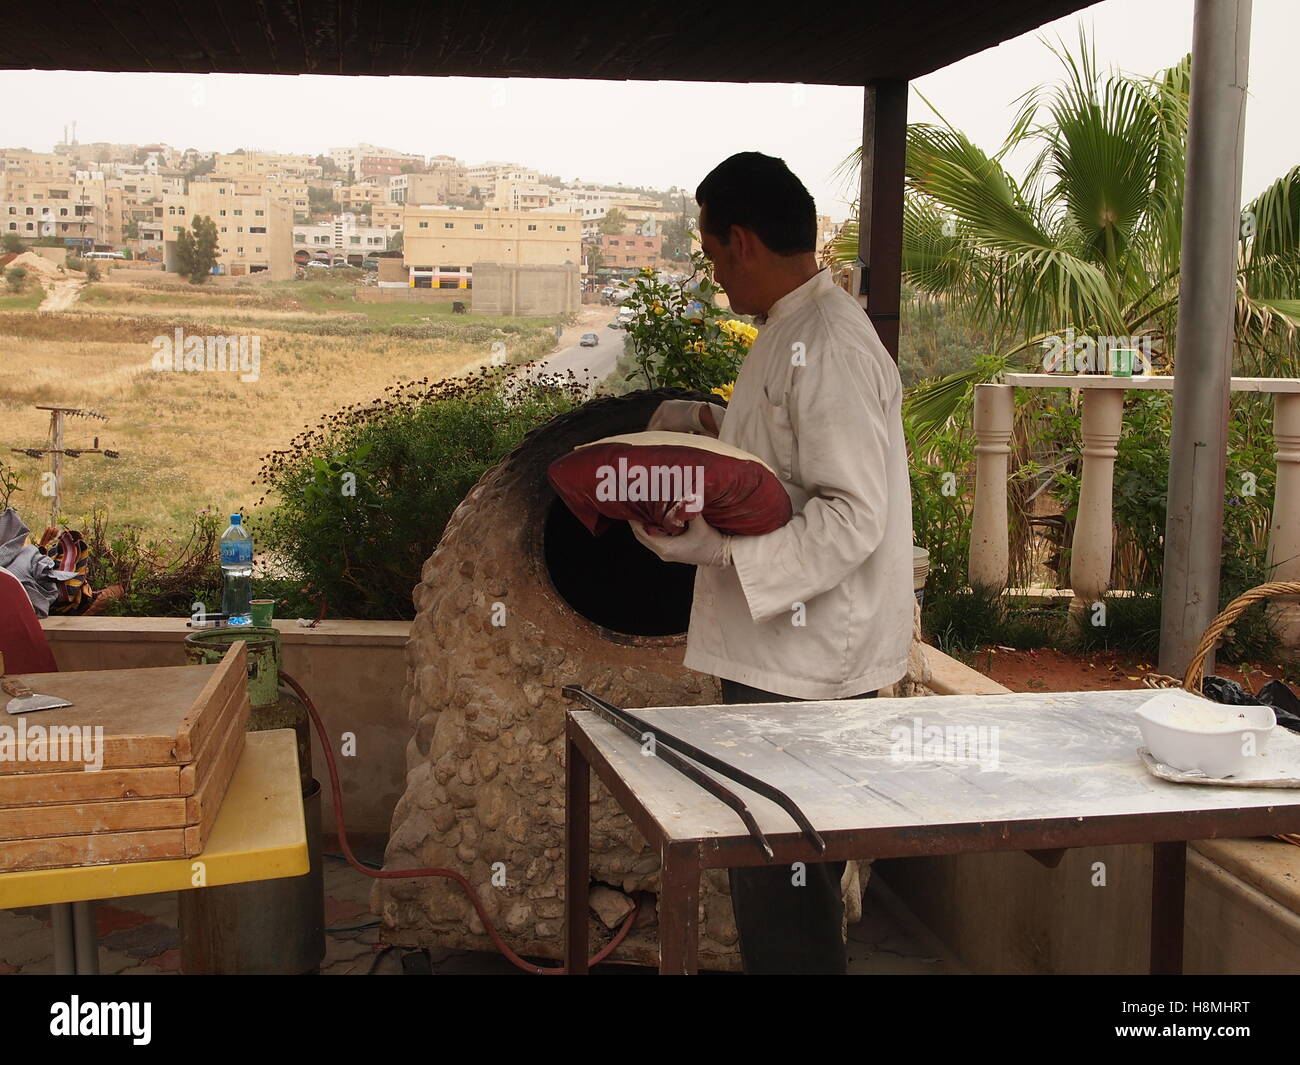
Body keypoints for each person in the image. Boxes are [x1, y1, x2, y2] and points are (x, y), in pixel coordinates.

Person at [629, 151, 914, 974]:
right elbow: (793, 473)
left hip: (805, 669)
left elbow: (853, 514)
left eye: (715, 256)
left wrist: (721, 549)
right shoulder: (793, 328)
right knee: (774, 887)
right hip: (784, 661)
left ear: (743, 241)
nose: (718, 278)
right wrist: (716, 433)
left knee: (786, 897)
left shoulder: (825, 340)